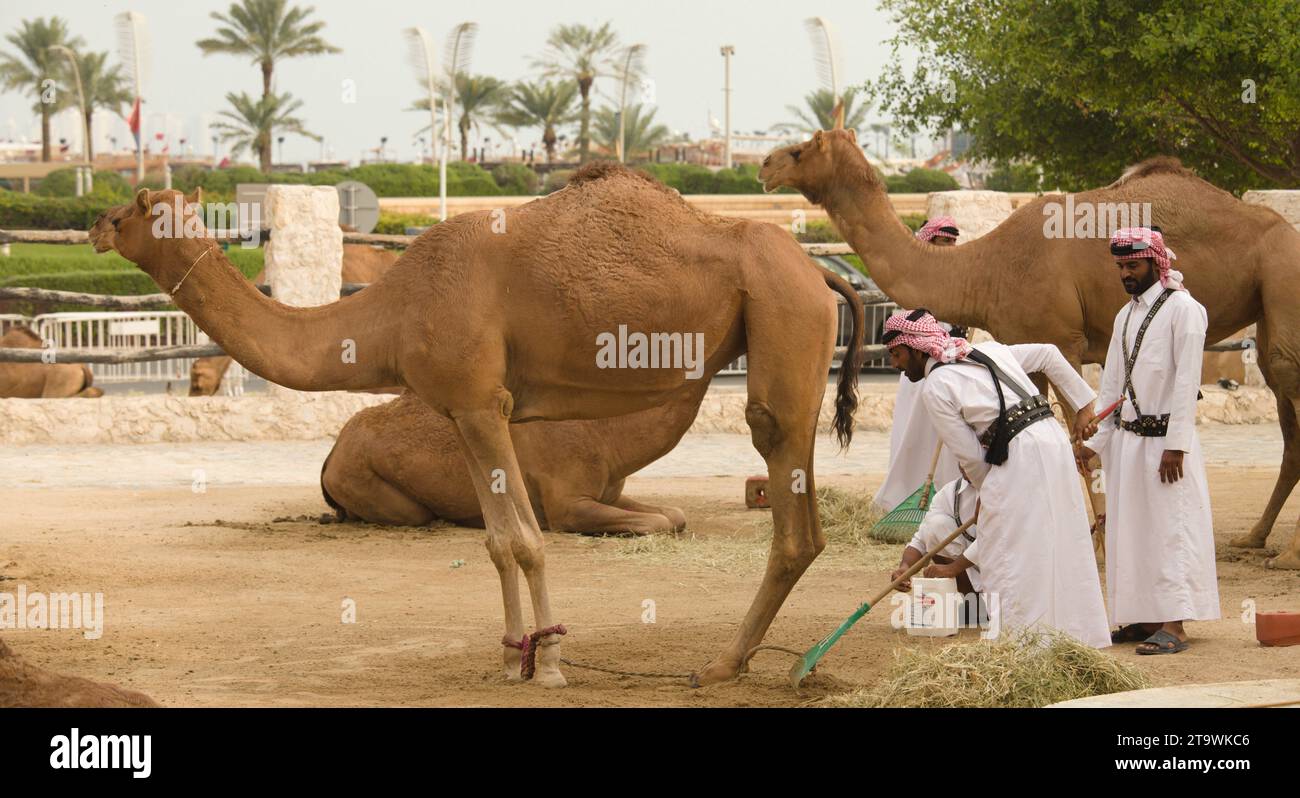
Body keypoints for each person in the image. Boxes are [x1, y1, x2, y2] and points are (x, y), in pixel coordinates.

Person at [883, 309, 1111, 648]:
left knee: (1010, 553)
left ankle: (1021, 647)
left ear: (916, 348)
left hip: (1017, 455)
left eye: (897, 354)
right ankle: (1077, 640)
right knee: (1060, 539)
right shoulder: (988, 351)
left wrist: (989, 498)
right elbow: (1049, 354)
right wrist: (1083, 403)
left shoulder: (935, 387)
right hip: (1052, 442)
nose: (894, 364)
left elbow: (972, 459)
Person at [1076, 227, 1219, 655]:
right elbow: (1111, 389)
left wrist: (1177, 444)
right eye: (1120, 266)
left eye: (1133, 265)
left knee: (1170, 531)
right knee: (1130, 533)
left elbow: (1186, 383)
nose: (1125, 273)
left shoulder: (1185, 310)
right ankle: (1142, 619)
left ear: (1157, 264)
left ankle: (1174, 625)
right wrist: (1095, 442)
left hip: (1167, 446)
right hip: (1129, 443)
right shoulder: (1125, 316)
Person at [872, 217, 964, 511]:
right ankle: (907, 496)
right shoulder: (914, 280)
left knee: (947, 435)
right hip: (918, 368)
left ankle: (946, 501)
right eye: (943, 241)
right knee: (915, 435)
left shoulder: (959, 279)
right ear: (929, 242)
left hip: (949, 369)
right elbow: (916, 325)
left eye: (953, 242)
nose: (950, 247)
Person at [891, 473, 982, 596]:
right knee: (936, 525)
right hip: (973, 575)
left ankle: (984, 607)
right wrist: (905, 568)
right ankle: (973, 603)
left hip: (1005, 572)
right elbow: (922, 538)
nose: (966, 464)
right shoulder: (949, 493)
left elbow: (991, 540)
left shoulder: (1004, 490)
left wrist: (953, 568)